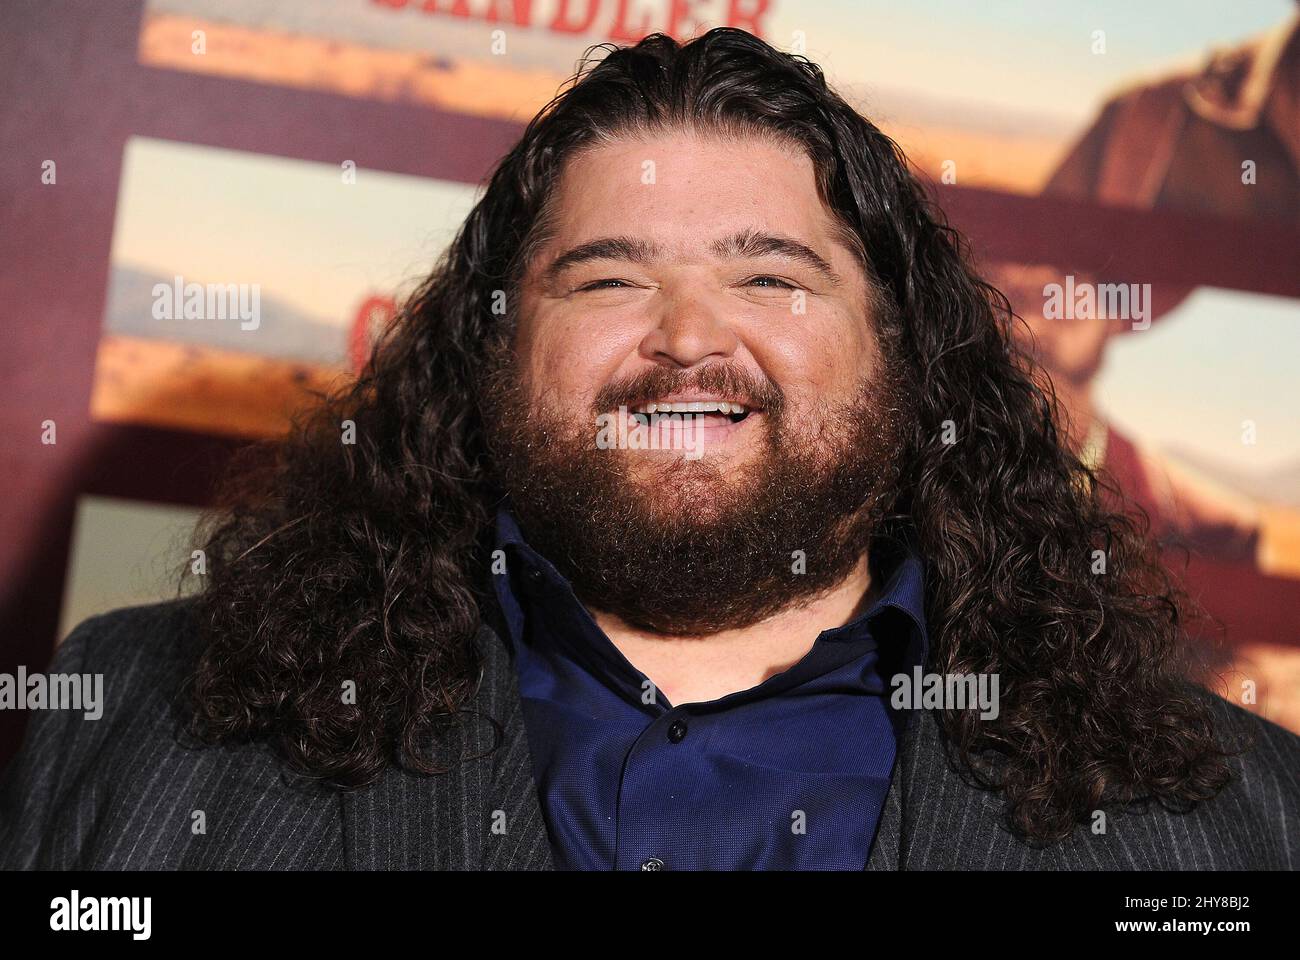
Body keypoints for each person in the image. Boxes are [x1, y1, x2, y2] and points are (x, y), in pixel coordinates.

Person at [2, 28, 1296, 871]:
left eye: (771, 278)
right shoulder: (135, 727)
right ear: (494, 348)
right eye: (607, 279)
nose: (688, 340)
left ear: (907, 356)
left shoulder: (1238, 816)